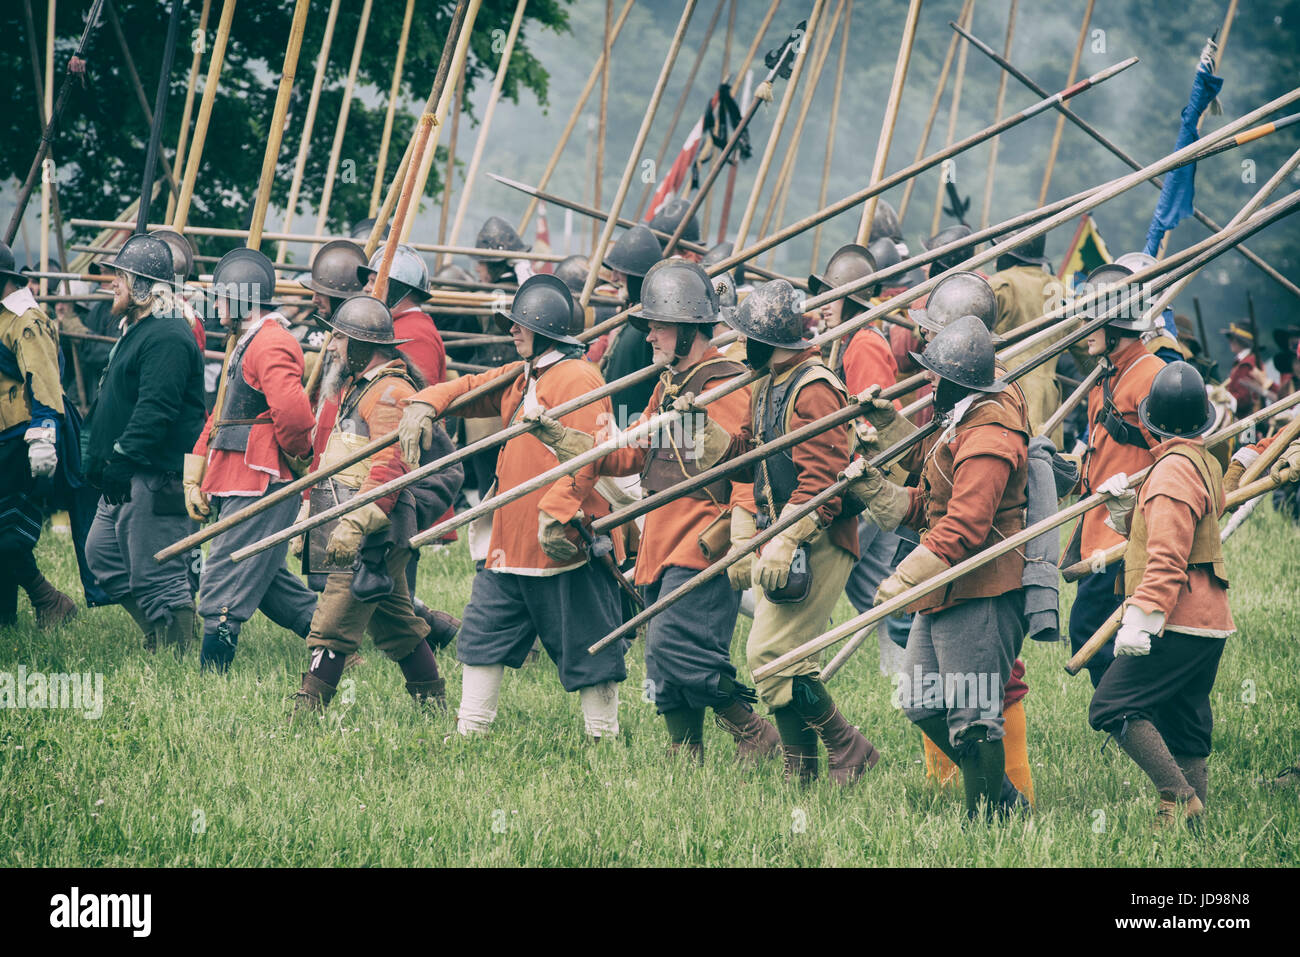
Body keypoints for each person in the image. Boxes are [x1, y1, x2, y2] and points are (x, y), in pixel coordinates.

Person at [528, 260, 779, 762]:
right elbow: (630, 453)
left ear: (687, 331)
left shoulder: (725, 386)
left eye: (659, 327)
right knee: (663, 669)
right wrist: (568, 440)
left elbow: (746, 471)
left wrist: (743, 535)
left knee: (676, 650)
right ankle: (684, 756)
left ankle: (754, 733)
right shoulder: (669, 387)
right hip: (661, 541)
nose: (650, 338)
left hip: (701, 542)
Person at [397, 275, 628, 740]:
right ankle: (470, 733)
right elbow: (468, 387)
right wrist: (424, 402)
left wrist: (559, 514)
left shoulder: (578, 377)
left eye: (520, 324)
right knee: (481, 636)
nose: (511, 331)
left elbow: (589, 457)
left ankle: (604, 739)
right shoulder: (526, 374)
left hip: (565, 540)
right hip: (509, 542)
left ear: (543, 329)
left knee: (590, 646)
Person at [850, 315, 1032, 821]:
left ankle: (987, 823)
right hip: (946, 583)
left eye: (936, 374)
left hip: (982, 588)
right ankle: (1004, 802)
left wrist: (903, 578)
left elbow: (966, 527)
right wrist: (876, 488)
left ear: (958, 380)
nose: (929, 381)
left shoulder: (991, 431)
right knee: (921, 700)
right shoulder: (962, 415)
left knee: (974, 719)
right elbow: (932, 496)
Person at [719, 279, 880, 786]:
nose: (741, 346)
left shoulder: (812, 387)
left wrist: (786, 540)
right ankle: (801, 769)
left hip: (820, 537)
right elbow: (748, 453)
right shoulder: (768, 381)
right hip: (781, 533)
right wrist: (701, 430)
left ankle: (847, 745)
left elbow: (825, 484)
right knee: (784, 659)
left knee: (770, 656)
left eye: (748, 337)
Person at [1087, 361, 1234, 827]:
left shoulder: (1170, 473)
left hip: (1177, 615)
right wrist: (1127, 511)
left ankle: (1178, 794)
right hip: (1209, 619)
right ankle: (1191, 822)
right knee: (1184, 721)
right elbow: (1170, 534)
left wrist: (1143, 615)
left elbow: (1169, 557)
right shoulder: (1203, 464)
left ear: (1150, 426)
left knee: (1112, 706)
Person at [292, 295, 452, 714]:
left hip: (376, 530)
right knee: (399, 624)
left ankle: (303, 717)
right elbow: (339, 462)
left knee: (333, 621)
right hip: (359, 525)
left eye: (341, 340)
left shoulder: (389, 393)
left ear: (362, 345)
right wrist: (312, 516)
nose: (332, 347)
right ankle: (434, 705)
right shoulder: (362, 387)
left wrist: (356, 525)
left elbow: (389, 465)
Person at [185, 248, 319, 672]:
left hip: (261, 478)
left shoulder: (272, 341)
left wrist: (298, 459)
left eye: (223, 298)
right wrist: (197, 472)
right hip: (239, 474)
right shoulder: (247, 341)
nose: (217, 307)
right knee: (267, 577)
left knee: (226, 570)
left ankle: (213, 671)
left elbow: (295, 417)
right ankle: (335, 645)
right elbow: (223, 414)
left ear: (240, 300)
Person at [83, 234, 206, 653]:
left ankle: (178, 654)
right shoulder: (140, 329)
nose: (112, 283)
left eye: (120, 275)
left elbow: (156, 409)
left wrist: (122, 457)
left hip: (154, 474)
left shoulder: (168, 336)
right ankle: (159, 631)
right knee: (102, 555)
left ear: (143, 287)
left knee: (158, 572)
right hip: (128, 469)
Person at [808, 242, 914, 674]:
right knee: (871, 583)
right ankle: (900, 672)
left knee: (836, 568)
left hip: (872, 477)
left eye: (833, 296)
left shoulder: (863, 344)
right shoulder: (850, 340)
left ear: (850, 299)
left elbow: (872, 421)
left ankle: (906, 669)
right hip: (867, 477)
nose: (824, 306)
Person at [1063, 264, 1165, 687]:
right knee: (1093, 629)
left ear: (1114, 326)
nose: (1084, 328)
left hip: (1127, 530)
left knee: (1092, 628)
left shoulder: (1151, 377)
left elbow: (1171, 460)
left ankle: (1126, 714)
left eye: (1092, 320)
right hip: (1097, 526)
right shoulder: (1107, 374)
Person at [0, 240, 77, 627]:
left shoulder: (27, 320)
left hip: (20, 438)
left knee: (7, 534)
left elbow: (44, 380)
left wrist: (44, 433)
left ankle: (48, 598)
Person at [989, 234, 1066, 441]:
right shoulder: (1060, 289)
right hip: (1048, 407)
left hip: (1004, 395)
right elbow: (1085, 349)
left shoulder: (1000, 284)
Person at [598, 224, 663, 427]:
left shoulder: (650, 327)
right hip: (617, 428)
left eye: (621, 271)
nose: (614, 277)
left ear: (636, 276)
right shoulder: (632, 320)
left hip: (634, 430)